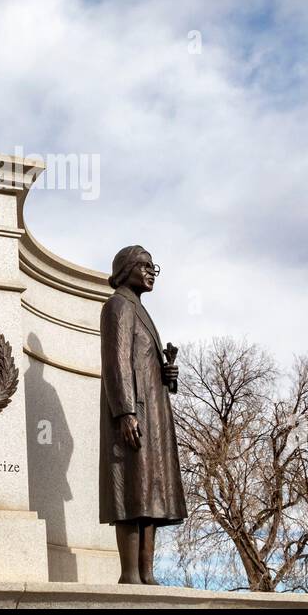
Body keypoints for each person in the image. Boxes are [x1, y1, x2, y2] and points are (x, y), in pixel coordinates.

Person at [98, 245, 187, 584]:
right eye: (145, 265)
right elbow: (116, 361)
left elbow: (139, 362)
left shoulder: (139, 310)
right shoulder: (118, 306)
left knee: (150, 494)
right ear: (126, 268)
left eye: (154, 267)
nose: (151, 272)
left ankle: (148, 575)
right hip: (134, 414)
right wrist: (124, 413)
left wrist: (166, 375)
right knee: (132, 493)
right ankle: (130, 575)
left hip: (154, 415)